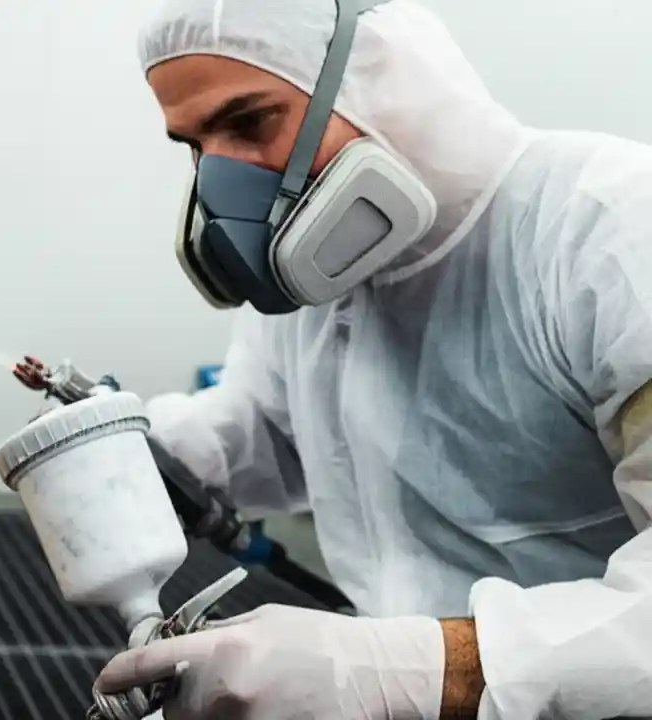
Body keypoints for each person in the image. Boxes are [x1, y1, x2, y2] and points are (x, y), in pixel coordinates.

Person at [93, 0, 652, 718]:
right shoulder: (327, 275)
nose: (220, 183)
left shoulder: (607, 234)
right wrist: (138, 458)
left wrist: (415, 670)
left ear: (378, 83)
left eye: (250, 122)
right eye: (195, 145)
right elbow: (270, 428)